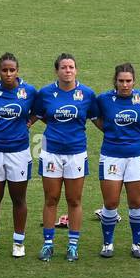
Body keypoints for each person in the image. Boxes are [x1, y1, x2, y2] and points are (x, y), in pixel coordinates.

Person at [35, 53, 96, 262]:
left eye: (71, 67)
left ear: (76, 70)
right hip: (51, 151)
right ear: (57, 71)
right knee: (51, 198)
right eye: (63, 67)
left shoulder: (87, 94)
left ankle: (72, 245)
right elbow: (39, 116)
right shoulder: (45, 93)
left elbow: (95, 118)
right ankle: (48, 244)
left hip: (77, 152)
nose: (67, 71)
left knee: (74, 199)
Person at [91, 62, 140, 260]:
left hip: (137, 156)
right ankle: (108, 244)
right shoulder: (104, 99)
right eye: (121, 81)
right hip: (111, 155)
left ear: (134, 81)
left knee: (136, 201)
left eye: (128, 81)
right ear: (115, 82)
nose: (125, 85)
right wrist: (109, 130)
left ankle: (137, 244)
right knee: (111, 202)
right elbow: (93, 116)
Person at [0, 53, 37, 258]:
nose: (8, 74)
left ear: (17, 71)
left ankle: (18, 243)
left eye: (12, 70)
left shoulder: (29, 91)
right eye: (4, 70)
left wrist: (29, 122)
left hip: (19, 152)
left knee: (18, 198)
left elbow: (39, 111)